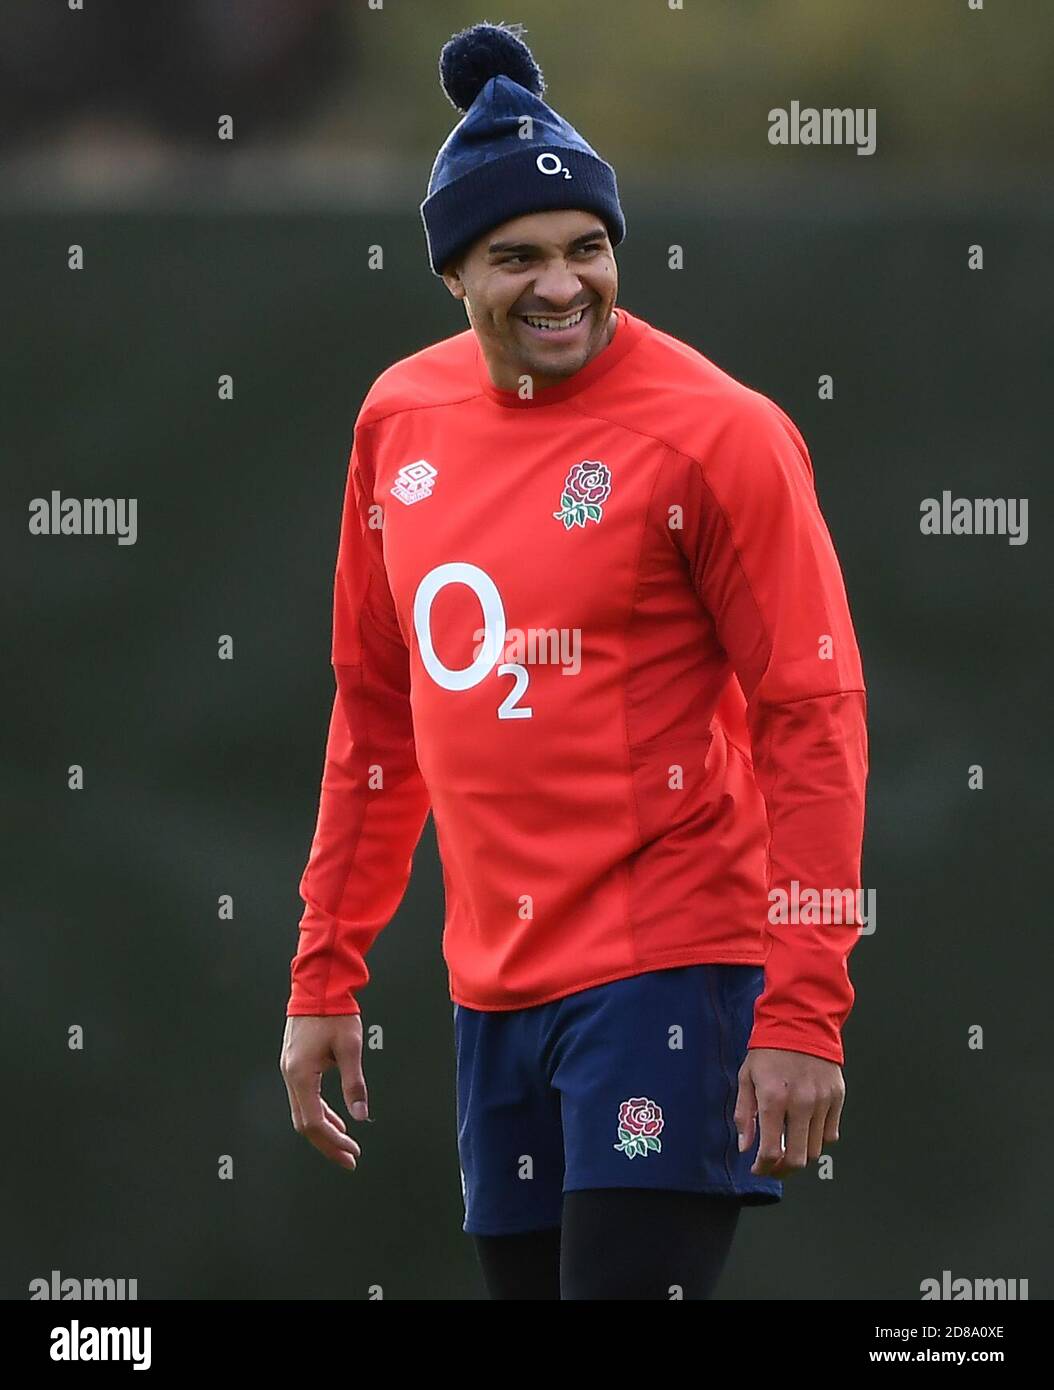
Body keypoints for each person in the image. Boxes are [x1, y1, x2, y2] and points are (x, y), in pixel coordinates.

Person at [280, 21, 868, 1301]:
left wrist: (802, 1009)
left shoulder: (721, 435)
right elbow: (379, 714)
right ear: (452, 274)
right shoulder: (399, 419)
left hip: (670, 962)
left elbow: (812, 714)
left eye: (586, 248)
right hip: (491, 989)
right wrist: (326, 968)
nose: (561, 284)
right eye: (517, 257)